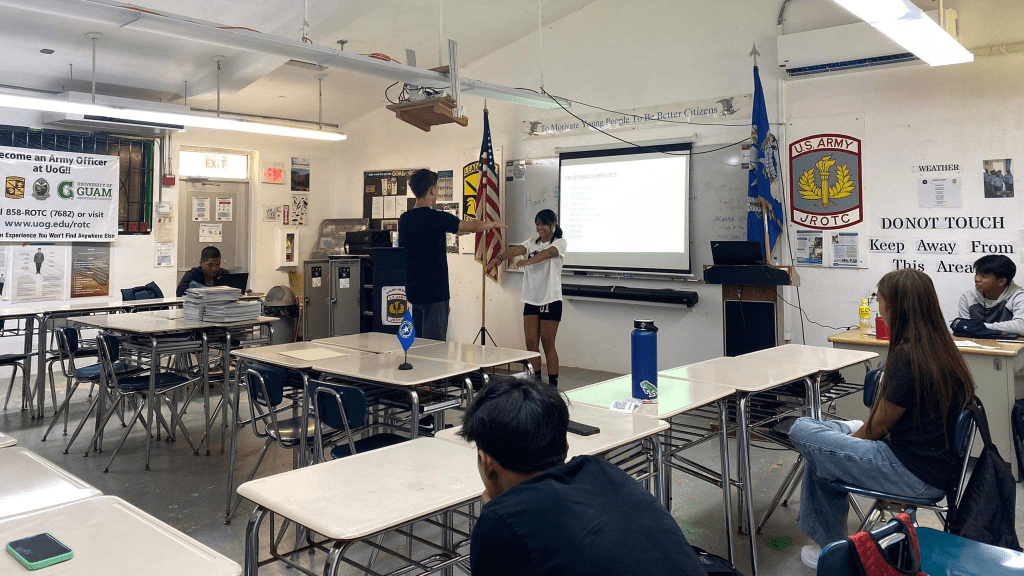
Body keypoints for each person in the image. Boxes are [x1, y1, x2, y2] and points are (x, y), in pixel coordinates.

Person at [789, 268, 975, 569]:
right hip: (935, 467)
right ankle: (829, 536)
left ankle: (830, 546)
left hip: (912, 474)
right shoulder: (941, 347)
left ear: (895, 306)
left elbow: (875, 430)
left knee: (803, 430)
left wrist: (844, 444)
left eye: (881, 301)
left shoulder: (907, 355)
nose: (879, 308)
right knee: (824, 444)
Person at [458, 376, 707, 576]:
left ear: (486, 462)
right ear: (566, 446)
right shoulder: (602, 470)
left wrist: (499, 516)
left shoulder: (499, 524)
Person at [398, 169, 501, 341]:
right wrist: (492, 224)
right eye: (437, 188)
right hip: (435, 292)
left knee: (418, 343)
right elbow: (472, 226)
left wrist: (462, 229)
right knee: (435, 345)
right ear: (432, 190)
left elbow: (454, 230)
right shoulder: (436, 218)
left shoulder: (405, 219)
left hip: (414, 290)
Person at [492, 209, 566, 387]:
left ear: (553, 224)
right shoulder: (532, 242)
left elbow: (549, 253)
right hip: (531, 299)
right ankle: (536, 383)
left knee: (548, 344)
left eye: (543, 224)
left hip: (550, 299)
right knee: (531, 343)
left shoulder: (560, 242)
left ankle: (553, 387)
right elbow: (516, 250)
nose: (540, 228)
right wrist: (500, 257)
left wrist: (528, 261)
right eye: (537, 224)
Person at [956, 254, 1024, 336]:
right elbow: (964, 328)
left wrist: (983, 326)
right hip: (976, 343)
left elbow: (1021, 326)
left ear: (1001, 281)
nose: (977, 279)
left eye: (984, 276)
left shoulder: (1019, 297)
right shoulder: (967, 297)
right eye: (976, 274)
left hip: (1008, 344)